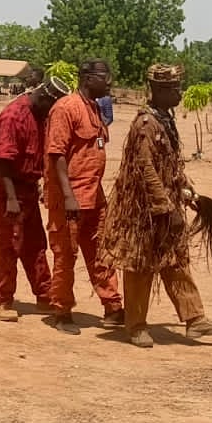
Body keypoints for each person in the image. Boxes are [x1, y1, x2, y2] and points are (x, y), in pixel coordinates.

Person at [99, 64, 212, 347]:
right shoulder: (146, 124)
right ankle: (135, 326)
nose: (180, 94)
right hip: (143, 212)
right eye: (174, 89)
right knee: (139, 266)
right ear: (159, 90)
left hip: (166, 203)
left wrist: (187, 191)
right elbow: (145, 169)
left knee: (175, 260)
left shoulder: (165, 120)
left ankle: (195, 319)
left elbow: (169, 163)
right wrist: (165, 208)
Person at [43, 59, 124, 335]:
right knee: (66, 255)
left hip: (95, 196)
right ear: (88, 79)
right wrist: (68, 197)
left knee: (102, 252)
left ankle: (113, 307)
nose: (109, 82)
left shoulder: (96, 108)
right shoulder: (65, 108)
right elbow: (56, 154)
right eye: (104, 77)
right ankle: (62, 311)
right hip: (70, 198)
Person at [0, 76, 69, 321]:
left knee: (35, 243)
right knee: (9, 245)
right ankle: (3, 300)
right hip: (7, 190)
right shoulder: (14, 116)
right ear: (44, 98)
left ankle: (44, 295)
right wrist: (11, 198)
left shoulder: (41, 115)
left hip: (28, 189)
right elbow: (1, 161)